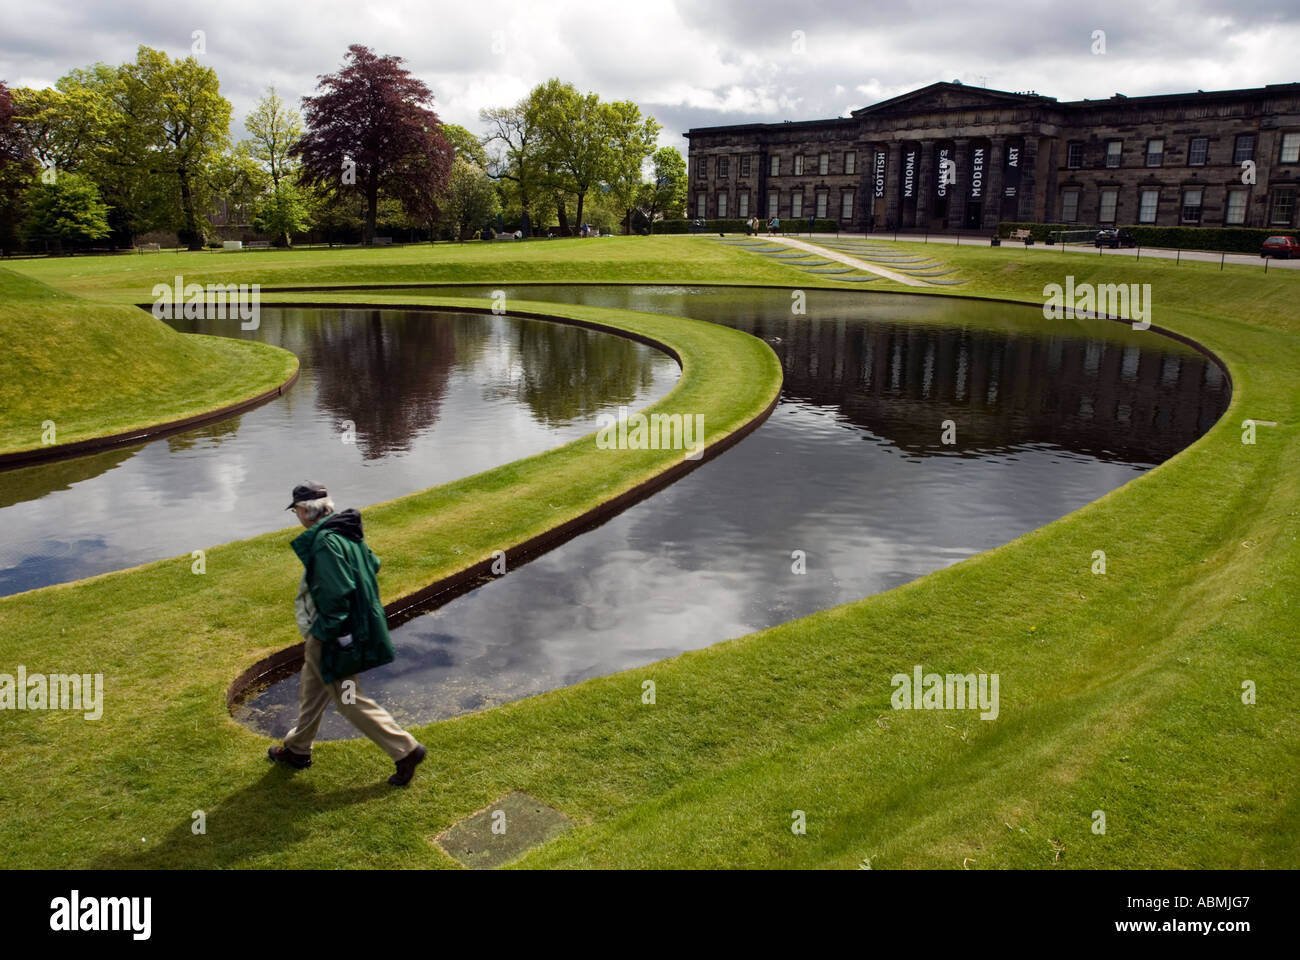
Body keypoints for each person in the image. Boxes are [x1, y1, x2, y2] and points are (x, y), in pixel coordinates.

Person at [267, 482, 427, 786]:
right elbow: (373, 563)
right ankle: (297, 749)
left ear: (305, 511)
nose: (296, 515)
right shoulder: (345, 531)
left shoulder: (326, 541)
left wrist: (338, 637)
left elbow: (335, 594)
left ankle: (405, 750)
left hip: (332, 634)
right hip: (334, 631)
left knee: (347, 698)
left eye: (297, 510)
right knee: (312, 689)